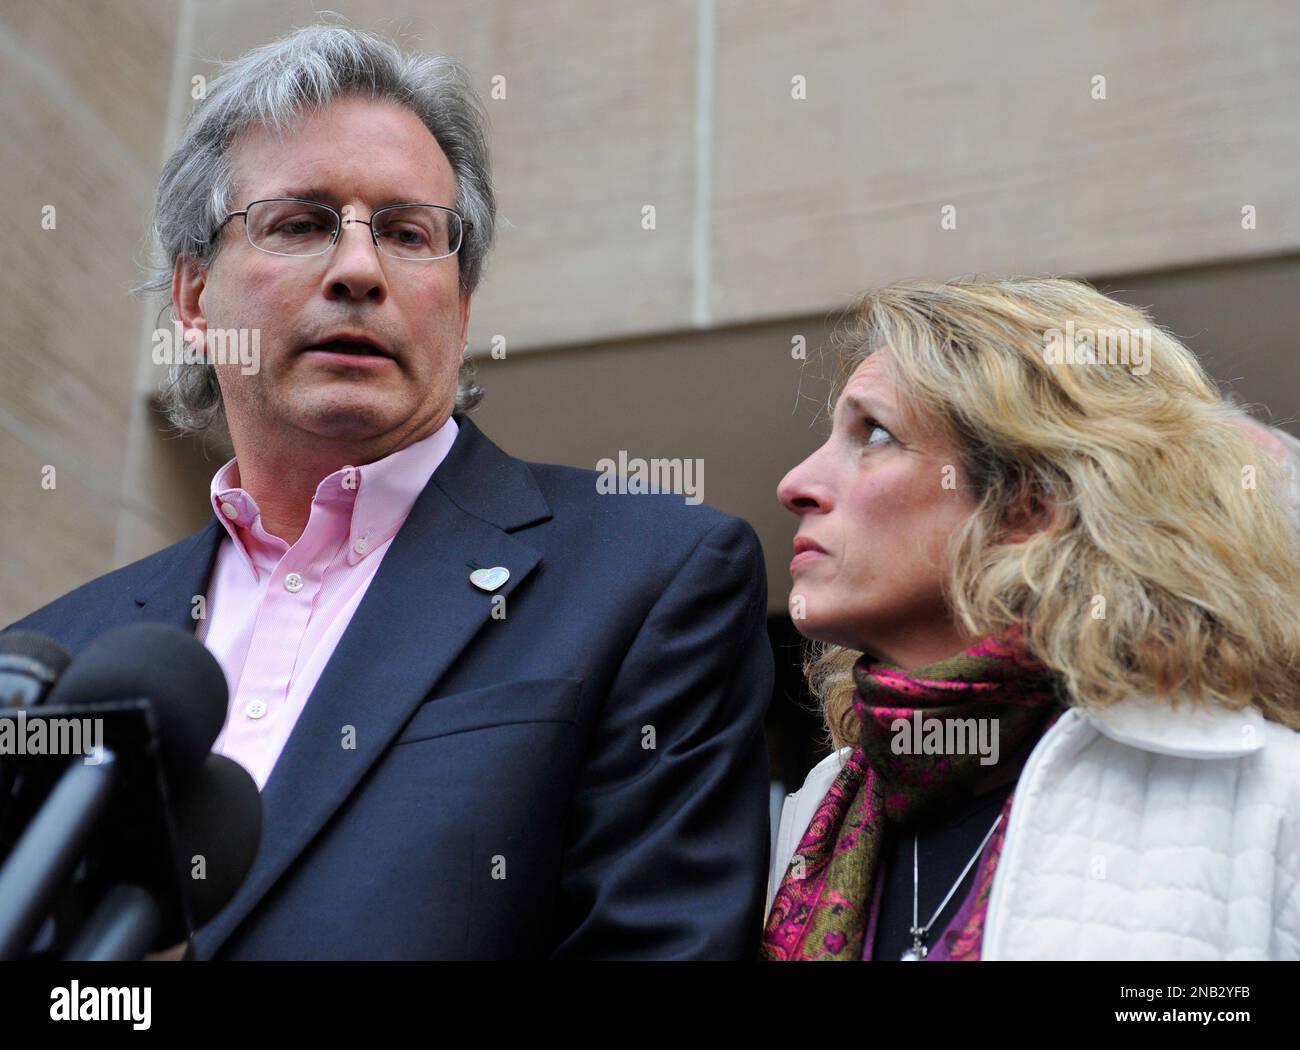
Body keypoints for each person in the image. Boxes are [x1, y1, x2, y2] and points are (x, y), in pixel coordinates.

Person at [5, 25, 772, 960]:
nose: (360, 269)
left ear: (460, 307)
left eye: (409, 235)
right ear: (196, 300)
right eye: (299, 223)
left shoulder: (654, 576)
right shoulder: (52, 665)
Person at [764, 277, 1300, 960]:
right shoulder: (820, 805)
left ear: (1030, 508)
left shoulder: (1265, 798)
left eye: (874, 433)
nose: (795, 483)